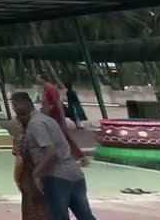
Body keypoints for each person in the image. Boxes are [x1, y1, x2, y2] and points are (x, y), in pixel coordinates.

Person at [10, 92, 96, 220]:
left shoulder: (35, 124)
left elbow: (51, 153)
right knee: (85, 216)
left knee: (58, 216)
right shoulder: (47, 120)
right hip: (75, 174)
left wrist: (37, 174)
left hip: (57, 176)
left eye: (15, 106)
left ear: (23, 105)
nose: (15, 110)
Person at [40, 83, 85, 163]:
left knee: (63, 136)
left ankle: (78, 156)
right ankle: (77, 156)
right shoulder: (46, 89)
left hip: (55, 117)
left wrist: (61, 117)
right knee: (59, 136)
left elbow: (57, 103)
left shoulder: (51, 89)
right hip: (52, 116)